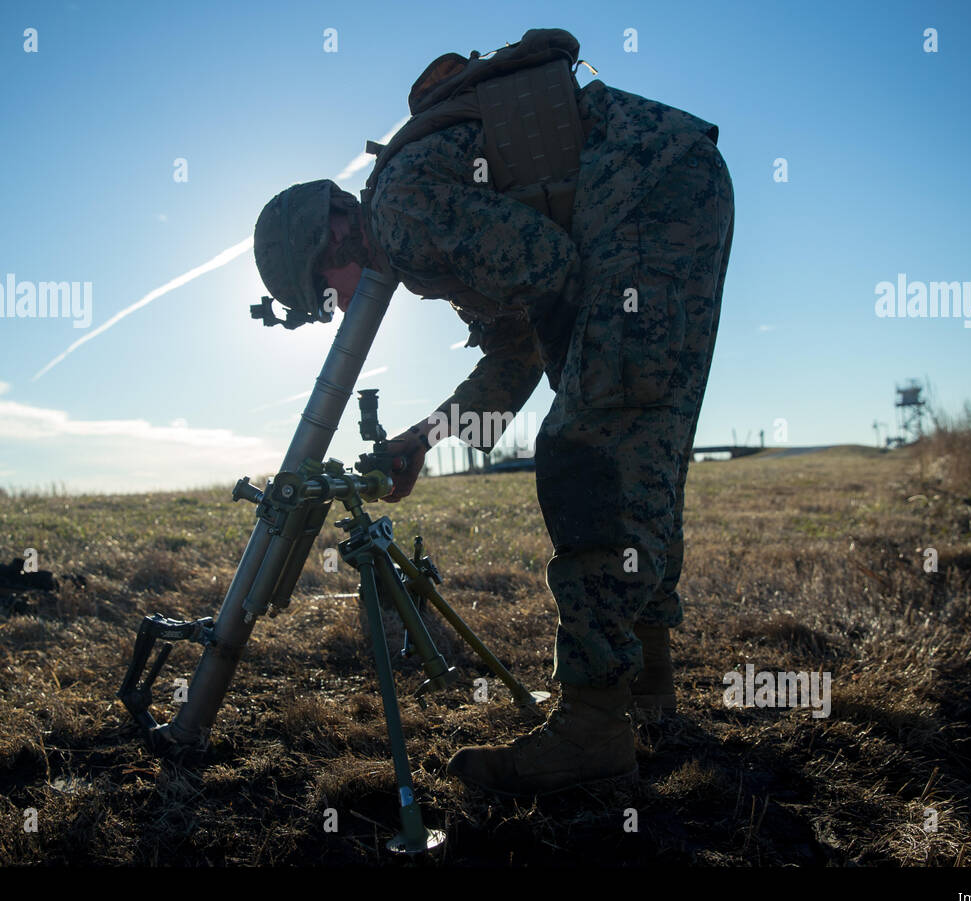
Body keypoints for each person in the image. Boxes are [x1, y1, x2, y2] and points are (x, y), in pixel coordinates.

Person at [253, 36, 734, 796]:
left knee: (591, 452)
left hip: (649, 195)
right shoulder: (418, 210)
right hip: (671, 180)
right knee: (637, 444)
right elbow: (519, 353)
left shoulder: (405, 216)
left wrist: (581, 379)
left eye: (325, 294)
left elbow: (550, 271)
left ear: (336, 236)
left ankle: (594, 727)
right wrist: (424, 440)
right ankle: (641, 691)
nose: (340, 310)